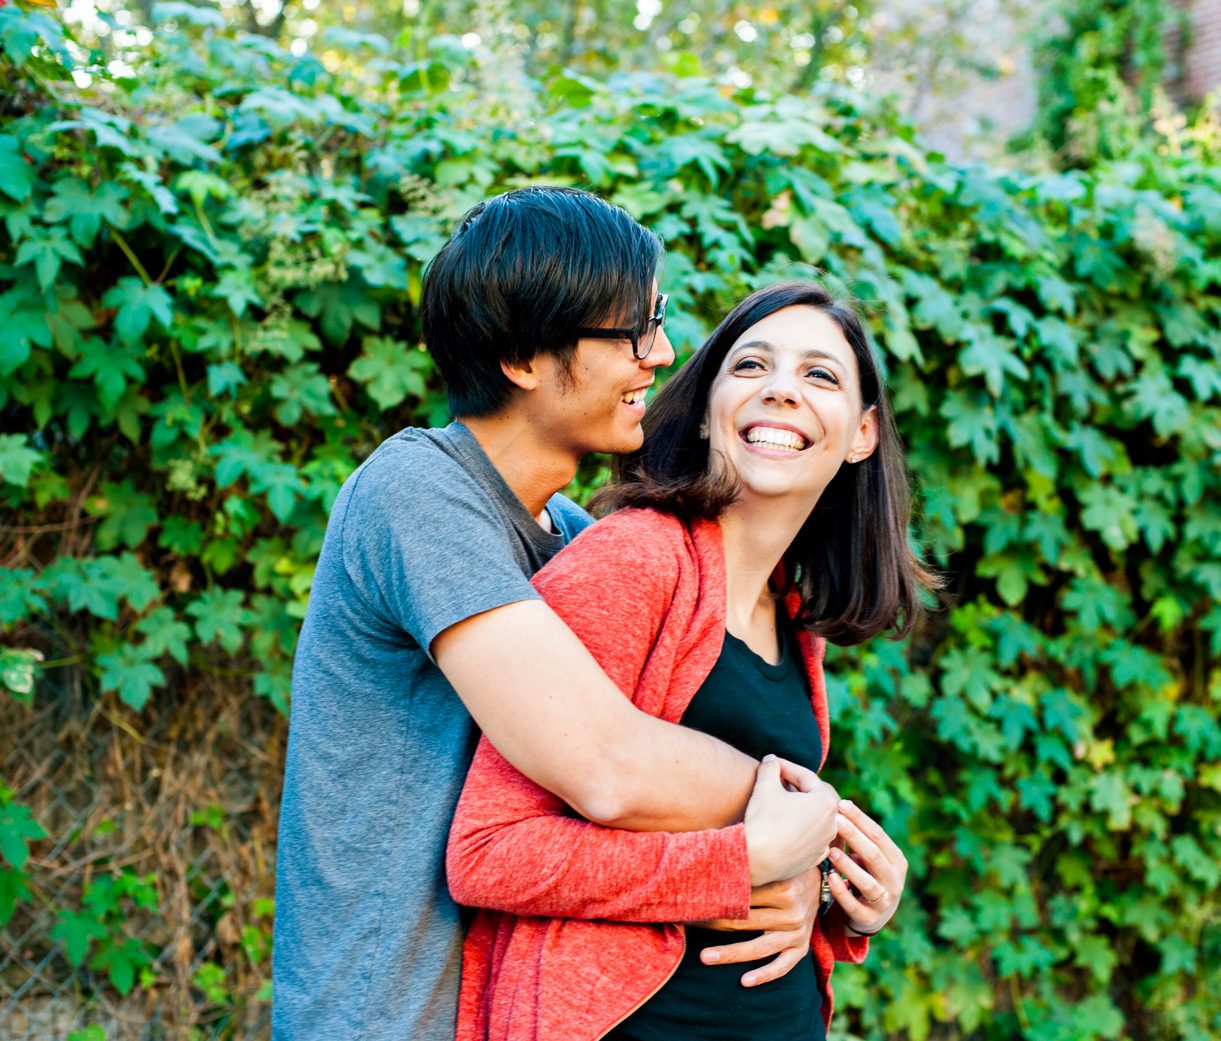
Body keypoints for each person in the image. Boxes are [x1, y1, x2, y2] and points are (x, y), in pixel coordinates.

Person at [272, 190, 839, 1041]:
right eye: (633, 332)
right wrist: (802, 818)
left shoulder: (573, 537)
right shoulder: (417, 491)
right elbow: (605, 763)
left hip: (500, 1005)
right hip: (384, 1012)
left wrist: (809, 862)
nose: (662, 354)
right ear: (522, 356)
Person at [447, 282, 939, 1041]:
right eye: (750, 366)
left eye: (820, 375)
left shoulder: (793, 616)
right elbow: (490, 852)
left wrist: (835, 895)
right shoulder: (633, 559)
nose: (781, 390)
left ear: (862, 435)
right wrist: (738, 865)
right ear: (709, 409)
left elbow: (742, 835)